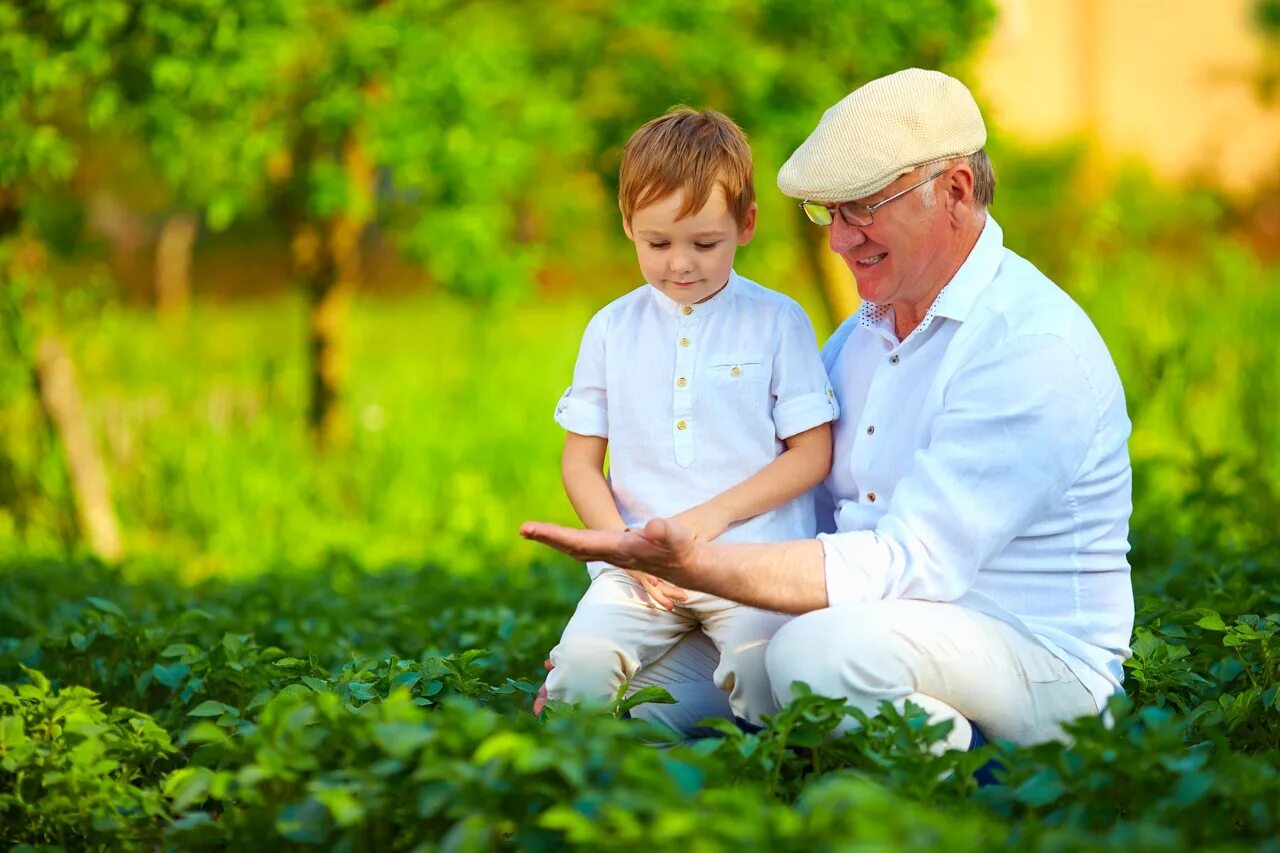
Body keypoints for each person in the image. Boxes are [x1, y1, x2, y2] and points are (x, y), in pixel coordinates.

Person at [524, 68, 1135, 749]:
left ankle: (973, 784)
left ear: (955, 191)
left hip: (1030, 658)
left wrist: (694, 560)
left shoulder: (1028, 344)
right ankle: (821, 755)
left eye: (862, 208)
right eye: (829, 212)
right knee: (631, 708)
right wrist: (646, 604)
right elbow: (804, 498)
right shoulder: (862, 337)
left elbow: (912, 562)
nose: (840, 240)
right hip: (873, 636)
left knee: (809, 652)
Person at [543, 107, 838, 725]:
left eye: (705, 244)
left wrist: (705, 524)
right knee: (581, 668)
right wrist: (624, 551)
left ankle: (772, 797)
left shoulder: (777, 321)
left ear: (747, 224)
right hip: (640, 568)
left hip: (751, 560)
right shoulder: (611, 329)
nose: (680, 263)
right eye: (657, 243)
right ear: (628, 225)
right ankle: (575, 795)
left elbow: (811, 454)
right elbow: (579, 462)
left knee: (766, 677)